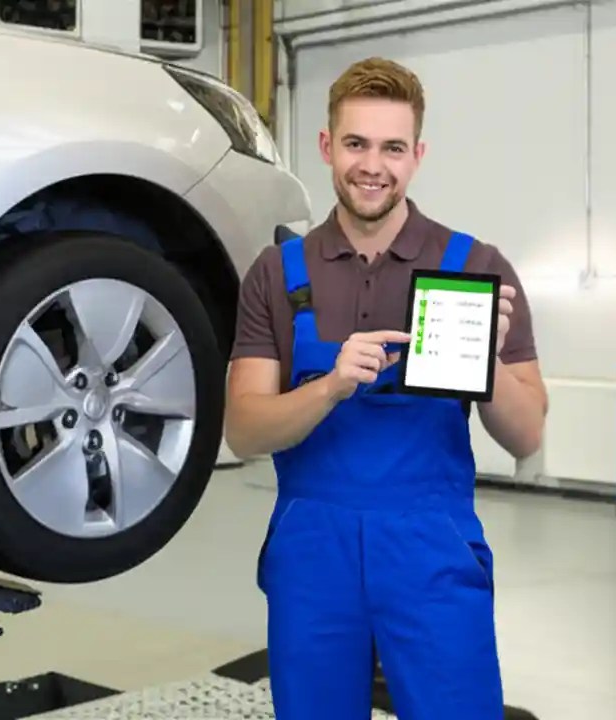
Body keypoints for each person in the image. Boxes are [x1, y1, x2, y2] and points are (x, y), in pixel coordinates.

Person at [224, 57, 548, 720]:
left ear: (417, 155)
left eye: (392, 148)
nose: (373, 165)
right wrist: (330, 386)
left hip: (431, 546)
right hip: (313, 548)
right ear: (326, 147)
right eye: (356, 144)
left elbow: (528, 436)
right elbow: (244, 429)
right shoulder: (276, 274)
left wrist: (480, 359)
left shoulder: (475, 267)